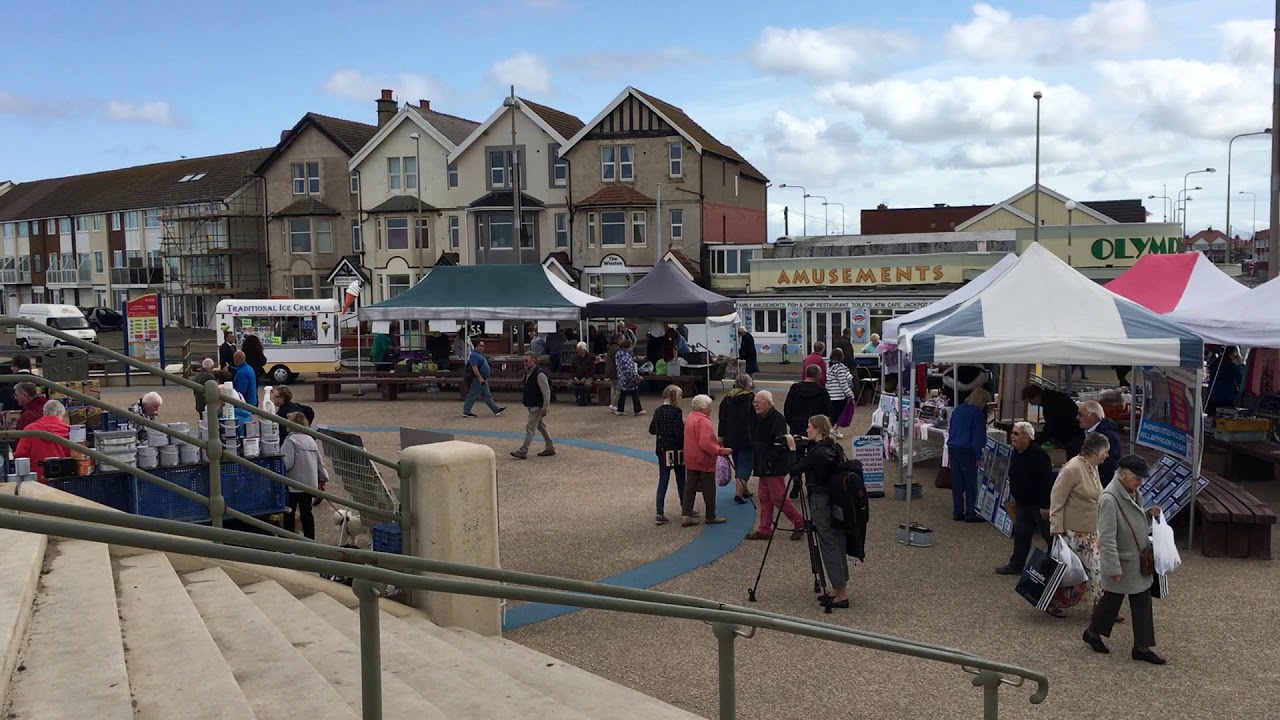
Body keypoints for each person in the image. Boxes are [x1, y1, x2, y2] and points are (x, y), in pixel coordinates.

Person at [1084, 454, 1166, 665]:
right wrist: (1112, 567)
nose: (1139, 483)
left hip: (1134, 560)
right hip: (1124, 561)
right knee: (1115, 601)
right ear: (1123, 475)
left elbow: (1134, 521)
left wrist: (1148, 515)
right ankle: (1132, 644)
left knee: (1130, 601)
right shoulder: (1110, 499)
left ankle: (1137, 644)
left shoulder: (1130, 492)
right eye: (1137, 478)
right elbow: (1107, 537)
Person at [786, 414, 853, 608]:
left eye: (809, 427)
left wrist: (792, 449)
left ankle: (841, 592)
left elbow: (795, 469)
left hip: (820, 501)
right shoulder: (834, 448)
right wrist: (808, 443)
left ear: (817, 429)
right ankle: (838, 587)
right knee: (837, 541)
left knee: (827, 542)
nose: (806, 430)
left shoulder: (817, 454)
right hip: (836, 501)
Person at [1048, 431, 1110, 618]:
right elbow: (1057, 499)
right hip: (1074, 531)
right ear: (1096, 451)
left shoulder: (1092, 467)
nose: (1107, 455)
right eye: (1105, 452)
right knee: (1075, 570)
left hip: (1091, 530)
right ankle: (1098, 607)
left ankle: (1099, 606)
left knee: (1093, 570)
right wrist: (1056, 528)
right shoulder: (1072, 469)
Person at [996, 421, 1054, 575]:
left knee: (1049, 535)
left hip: (1038, 504)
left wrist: (1045, 505)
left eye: (1016, 434)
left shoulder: (1039, 455)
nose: (1012, 437)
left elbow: (1046, 481)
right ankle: (1016, 565)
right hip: (1023, 503)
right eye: (1012, 433)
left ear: (1027, 437)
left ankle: (1057, 565)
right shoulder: (1016, 452)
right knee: (1021, 535)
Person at [746, 390, 804, 541]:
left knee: (778, 498)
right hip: (763, 464)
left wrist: (770, 459)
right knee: (764, 497)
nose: (755, 405)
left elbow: (780, 441)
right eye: (754, 402)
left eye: (758, 402)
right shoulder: (759, 417)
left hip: (774, 465)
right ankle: (764, 529)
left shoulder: (777, 419)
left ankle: (800, 522)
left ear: (768, 403)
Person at [681, 394, 730, 526]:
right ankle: (710, 516)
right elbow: (705, 442)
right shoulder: (703, 421)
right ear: (702, 408)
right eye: (709, 406)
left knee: (690, 487)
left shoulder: (691, 417)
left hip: (691, 457)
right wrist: (720, 451)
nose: (711, 409)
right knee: (709, 489)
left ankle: (686, 514)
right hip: (703, 459)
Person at [947, 387, 991, 522]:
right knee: (971, 483)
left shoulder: (958, 409)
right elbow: (978, 437)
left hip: (953, 447)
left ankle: (957, 512)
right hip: (967, 450)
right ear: (981, 400)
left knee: (957, 482)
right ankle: (970, 512)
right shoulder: (977, 413)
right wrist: (979, 456)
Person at [281, 411, 326, 540]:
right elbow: (319, 461)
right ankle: (310, 539)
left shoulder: (290, 441)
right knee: (307, 513)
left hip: (294, 483)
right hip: (309, 483)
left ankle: (289, 541)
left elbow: (287, 464)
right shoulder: (310, 439)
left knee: (290, 513)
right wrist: (323, 478)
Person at [649, 385, 686, 524]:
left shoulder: (658, 411)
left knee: (663, 480)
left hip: (662, 450)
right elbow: (678, 434)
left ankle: (659, 511)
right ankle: (685, 508)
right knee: (681, 479)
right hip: (676, 450)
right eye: (680, 396)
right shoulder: (676, 411)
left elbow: (652, 429)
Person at [717, 374, 756, 505]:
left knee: (738, 463)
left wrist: (721, 437)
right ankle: (739, 493)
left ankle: (744, 489)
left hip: (730, 437)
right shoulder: (750, 398)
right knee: (746, 464)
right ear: (746, 385)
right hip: (747, 436)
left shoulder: (727, 399)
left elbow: (722, 419)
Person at [14, 400, 71, 483]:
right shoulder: (69, 430)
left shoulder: (30, 429)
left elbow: (20, 454)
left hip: (36, 479)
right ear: (59, 413)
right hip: (62, 478)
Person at [512, 352, 555, 460]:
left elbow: (546, 392)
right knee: (541, 426)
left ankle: (523, 450)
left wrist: (545, 408)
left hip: (537, 405)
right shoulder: (528, 373)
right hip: (532, 404)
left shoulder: (539, 374)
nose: (525, 363)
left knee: (530, 427)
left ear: (534, 361)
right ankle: (550, 446)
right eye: (524, 360)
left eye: (527, 360)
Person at [1072, 400, 1122, 486]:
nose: (1077, 417)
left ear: (1093, 416)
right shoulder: (1088, 432)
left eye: (1080, 414)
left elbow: (1109, 466)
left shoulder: (1107, 436)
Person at [1021, 384, 1082, 452]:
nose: (1032, 404)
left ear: (1036, 397)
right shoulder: (1052, 398)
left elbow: (1050, 426)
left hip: (1071, 435)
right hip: (1071, 432)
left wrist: (1036, 443)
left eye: (1030, 402)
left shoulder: (1051, 403)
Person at [784, 364, 833, 437]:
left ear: (805, 374)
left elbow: (787, 409)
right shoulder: (822, 391)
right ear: (818, 375)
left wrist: (792, 423)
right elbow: (828, 411)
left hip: (797, 427)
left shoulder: (795, 388)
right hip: (816, 429)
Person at [461, 341, 506, 419]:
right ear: (476, 346)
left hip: (483, 379)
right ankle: (466, 411)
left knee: (487, 395)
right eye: (480, 346)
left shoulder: (480, 355)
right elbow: (474, 367)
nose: (482, 348)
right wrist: (479, 377)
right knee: (473, 395)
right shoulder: (474, 355)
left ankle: (496, 409)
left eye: (483, 346)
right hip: (477, 379)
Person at [1207, 346, 1245, 417]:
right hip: (1226, 398)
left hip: (1212, 397)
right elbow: (1241, 380)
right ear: (1234, 354)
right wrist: (1240, 364)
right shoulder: (1232, 366)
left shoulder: (1214, 365)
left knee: (1212, 420)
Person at [825, 348, 855, 439]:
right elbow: (843, 382)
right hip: (839, 395)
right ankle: (831, 430)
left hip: (830, 393)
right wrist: (849, 394)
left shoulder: (829, 366)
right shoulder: (840, 367)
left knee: (833, 414)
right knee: (838, 414)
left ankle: (832, 429)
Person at [613, 338, 644, 416]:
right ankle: (637, 410)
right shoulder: (626, 356)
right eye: (630, 347)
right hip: (629, 378)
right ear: (628, 347)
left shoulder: (618, 354)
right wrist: (637, 376)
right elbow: (629, 369)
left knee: (623, 394)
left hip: (621, 377)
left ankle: (620, 409)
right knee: (635, 393)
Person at [570, 341, 596, 406]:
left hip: (587, 376)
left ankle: (587, 397)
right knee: (570, 385)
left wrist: (585, 377)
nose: (578, 352)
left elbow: (592, 370)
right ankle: (579, 396)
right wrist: (574, 377)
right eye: (577, 350)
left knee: (587, 385)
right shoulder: (574, 358)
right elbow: (572, 369)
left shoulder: (590, 357)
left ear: (584, 350)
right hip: (577, 376)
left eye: (579, 350)